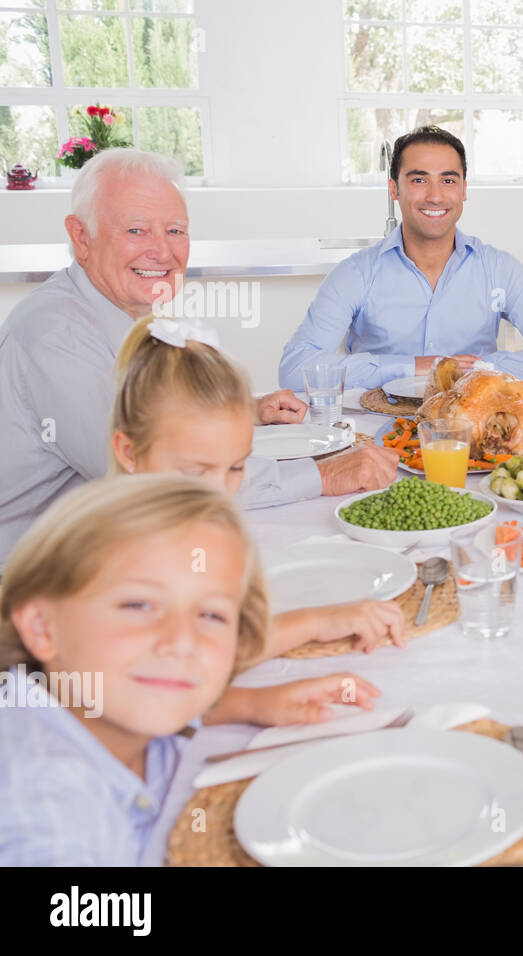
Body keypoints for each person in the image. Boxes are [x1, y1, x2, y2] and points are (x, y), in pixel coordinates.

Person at [0, 148, 399, 568]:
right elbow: (159, 479)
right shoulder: (55, 333)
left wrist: (246, 410)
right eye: (136, 230)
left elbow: (145, 417)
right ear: (81, 237)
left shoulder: (116, 308)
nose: (162, 252)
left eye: (175, 230)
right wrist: (325, 475)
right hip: (42, 584)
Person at [0, 475, 381, 865]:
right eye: (138, 605)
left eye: (211, 613)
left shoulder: (93, 703)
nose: (183, 641)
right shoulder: (46, 814)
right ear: (43, 627)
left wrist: (248, 703)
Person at [110, 318, 409, 660]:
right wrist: (312, 622)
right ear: (129, 453)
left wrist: (263, 701)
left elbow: (214, 638)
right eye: (196, 471)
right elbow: (176, 668)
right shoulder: (121, 562)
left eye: (238, 466)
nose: (222, 491)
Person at [278, 125, 523, 390]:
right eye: (419, 180)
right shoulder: (356, 274)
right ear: (393, 189)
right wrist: (416, 366)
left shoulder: (498, 269)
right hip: (375, 429)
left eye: (448, 180)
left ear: (464, 189)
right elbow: (295, 369)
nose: (436, 196)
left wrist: (479, 368)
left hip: (473, 429)